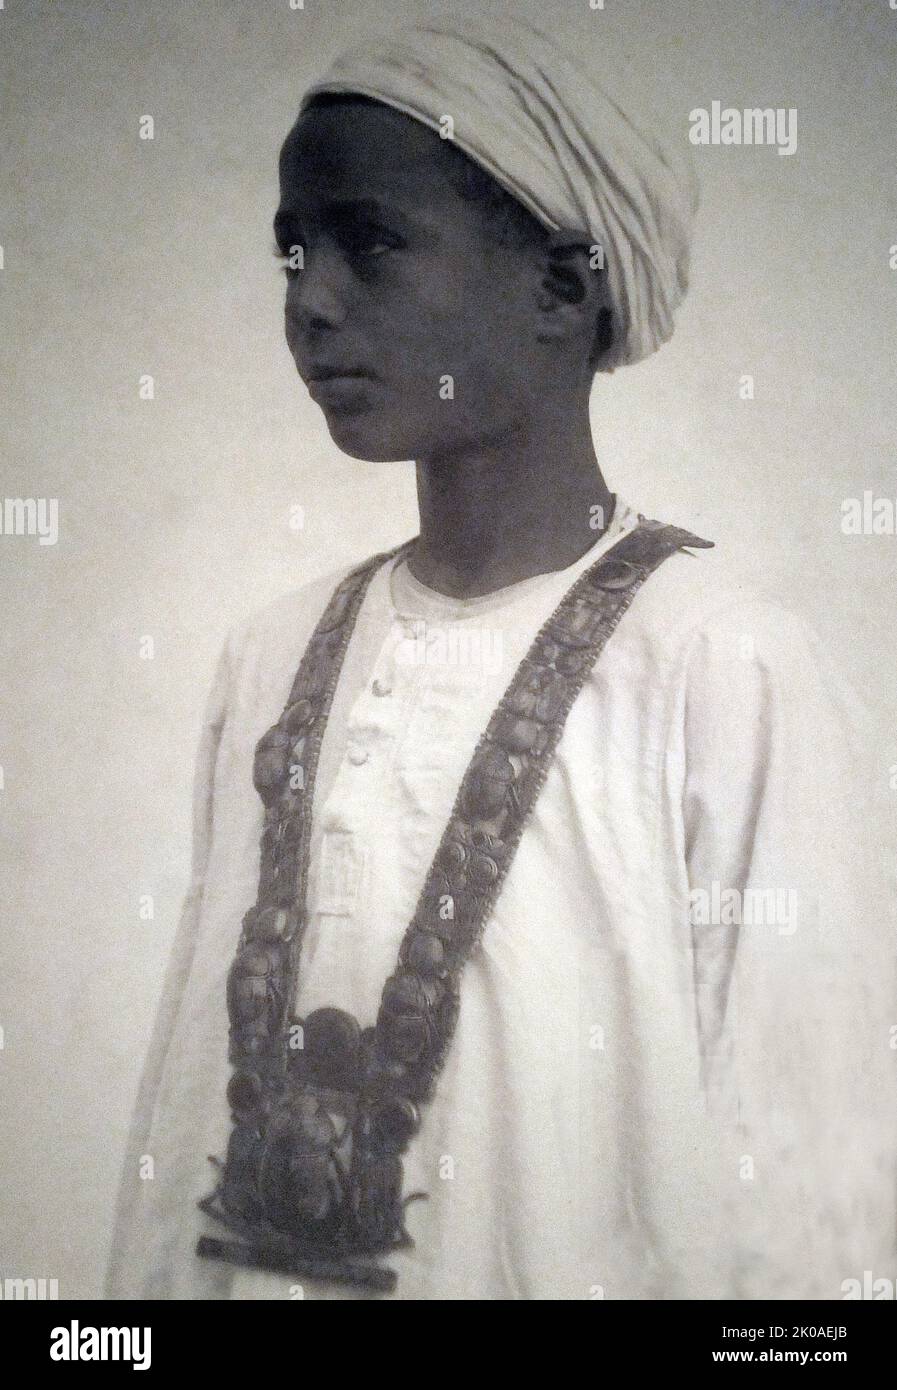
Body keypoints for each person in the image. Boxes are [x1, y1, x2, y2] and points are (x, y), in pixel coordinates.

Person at [106, 14, 897, 1300]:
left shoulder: (725, 668)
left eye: (372, 240)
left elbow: (817, 1211)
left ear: (563, 284)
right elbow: (179, 1116)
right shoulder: (268, 657)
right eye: (294, 249)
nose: (310, 297)